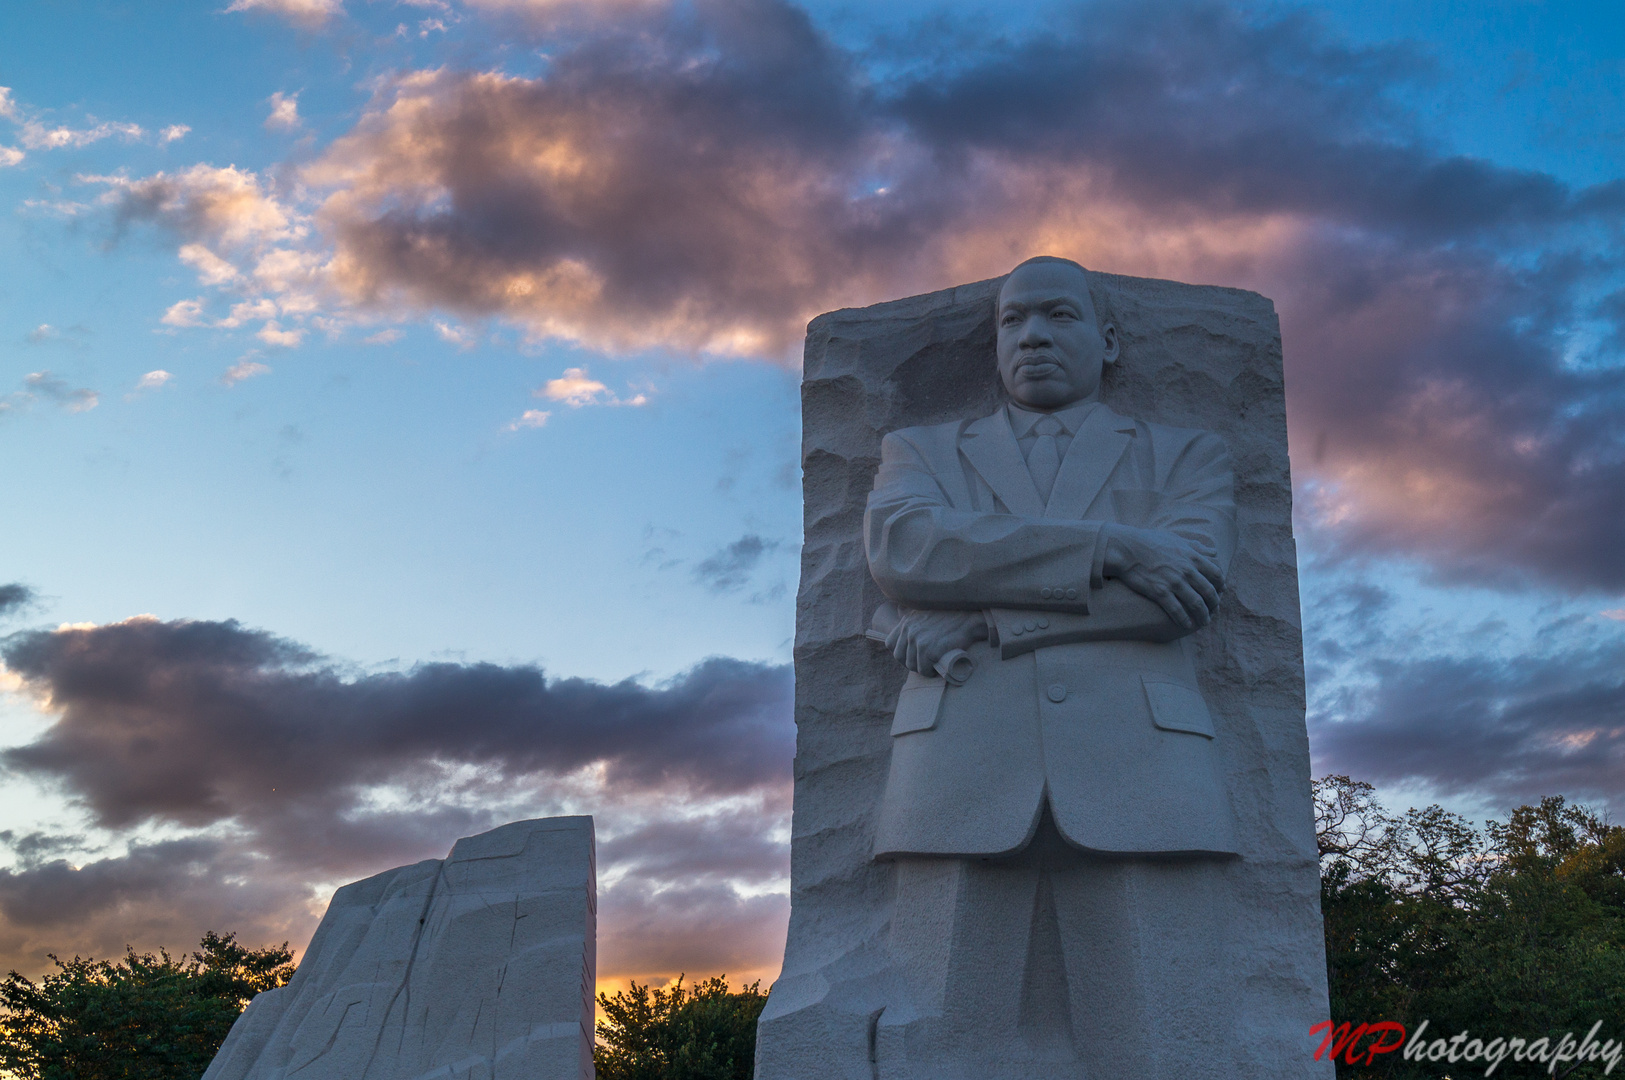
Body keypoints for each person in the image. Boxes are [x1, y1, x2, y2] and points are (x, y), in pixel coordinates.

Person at [862, 256, 1240, 1078]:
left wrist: (990, 615)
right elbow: (905, 551)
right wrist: (1113, 545)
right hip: (958, 762)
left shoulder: (1184, 456)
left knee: (1163, 1036)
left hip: (1141, 765)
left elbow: (1181, 597)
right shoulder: (920, 450)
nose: (1031, 335)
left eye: (1058, 316)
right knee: (938, 1039)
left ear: (1107, 341)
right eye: (1012, 320)